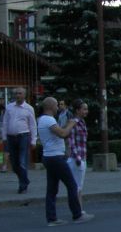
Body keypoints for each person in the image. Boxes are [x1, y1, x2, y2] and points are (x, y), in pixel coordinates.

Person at [37, 96, 93, 225]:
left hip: (48, 156)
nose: (58, 107)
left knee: (52, 189)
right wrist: (71, 124)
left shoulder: (42, 120)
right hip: (55, 157)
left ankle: (52, 218)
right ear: (51, 106)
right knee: (72, 185)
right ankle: (77, 215)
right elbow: (63, 133)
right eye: (56, 105)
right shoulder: (49, 120)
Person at [3, 87, 38, 193]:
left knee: (22, 161)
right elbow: (5, 123)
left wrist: (33, 140)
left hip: (23, 136)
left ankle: (22, 185)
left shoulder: (29, 108)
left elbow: (33, 125)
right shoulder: (9, 107)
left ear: (24, 95)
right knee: (14, 163)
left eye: (20, 93)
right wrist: (4, 137)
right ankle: (25, 180)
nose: (17, 95)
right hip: (11, 137)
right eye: (16, 93)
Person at [66, 99, 89, 208]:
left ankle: (79, 209)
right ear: (77, 110)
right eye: (84, 109)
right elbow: (72, 142)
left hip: (82, 157)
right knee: (77, 187)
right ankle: (77, 210)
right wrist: (78, 158)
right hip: (77, 159)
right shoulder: (74, 122)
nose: (86, 111)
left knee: (79, 186)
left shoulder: (82, 122)